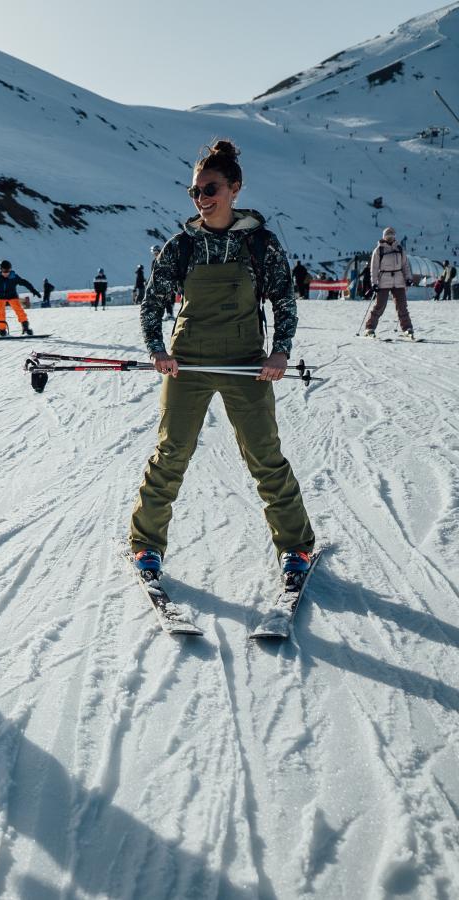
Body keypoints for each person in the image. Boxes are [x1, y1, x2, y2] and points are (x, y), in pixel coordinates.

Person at [131, 138, 314, 583]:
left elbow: (284, 303)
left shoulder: (260, 244)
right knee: (170, 454)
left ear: (234, 188)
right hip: (187, 362)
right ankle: (146, 546)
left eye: (210, 189)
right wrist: (156, 349)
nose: (201, 199)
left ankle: (295, 547)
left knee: (264, 457)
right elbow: (152, 303)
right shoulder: (182, 245)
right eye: (195, 192)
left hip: (247, 363)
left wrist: (280, 352)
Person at [363, 227, 415, 339]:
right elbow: (374, 268)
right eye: (388, 235)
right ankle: (369, 328)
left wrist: (408, 278)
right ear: (384, 237)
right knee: (380, 305)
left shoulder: (400, 249)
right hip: (384, 280)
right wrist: (374, 283)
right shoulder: (379, 250)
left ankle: (407, 328)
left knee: (402, 306)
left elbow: (405, 265)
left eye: (392, 235)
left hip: (399, 280)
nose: (390, 237)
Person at [0, 259, 38, 336]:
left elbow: (25, 282)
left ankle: (26, 328)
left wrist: (33, 290)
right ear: (0, 270)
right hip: (1, 297)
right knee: (0, 312)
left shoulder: (14, 277)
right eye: (4, 270)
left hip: (12, 296)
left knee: (19, 310)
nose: (6, 273)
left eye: (8, 270)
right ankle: (2, 330)